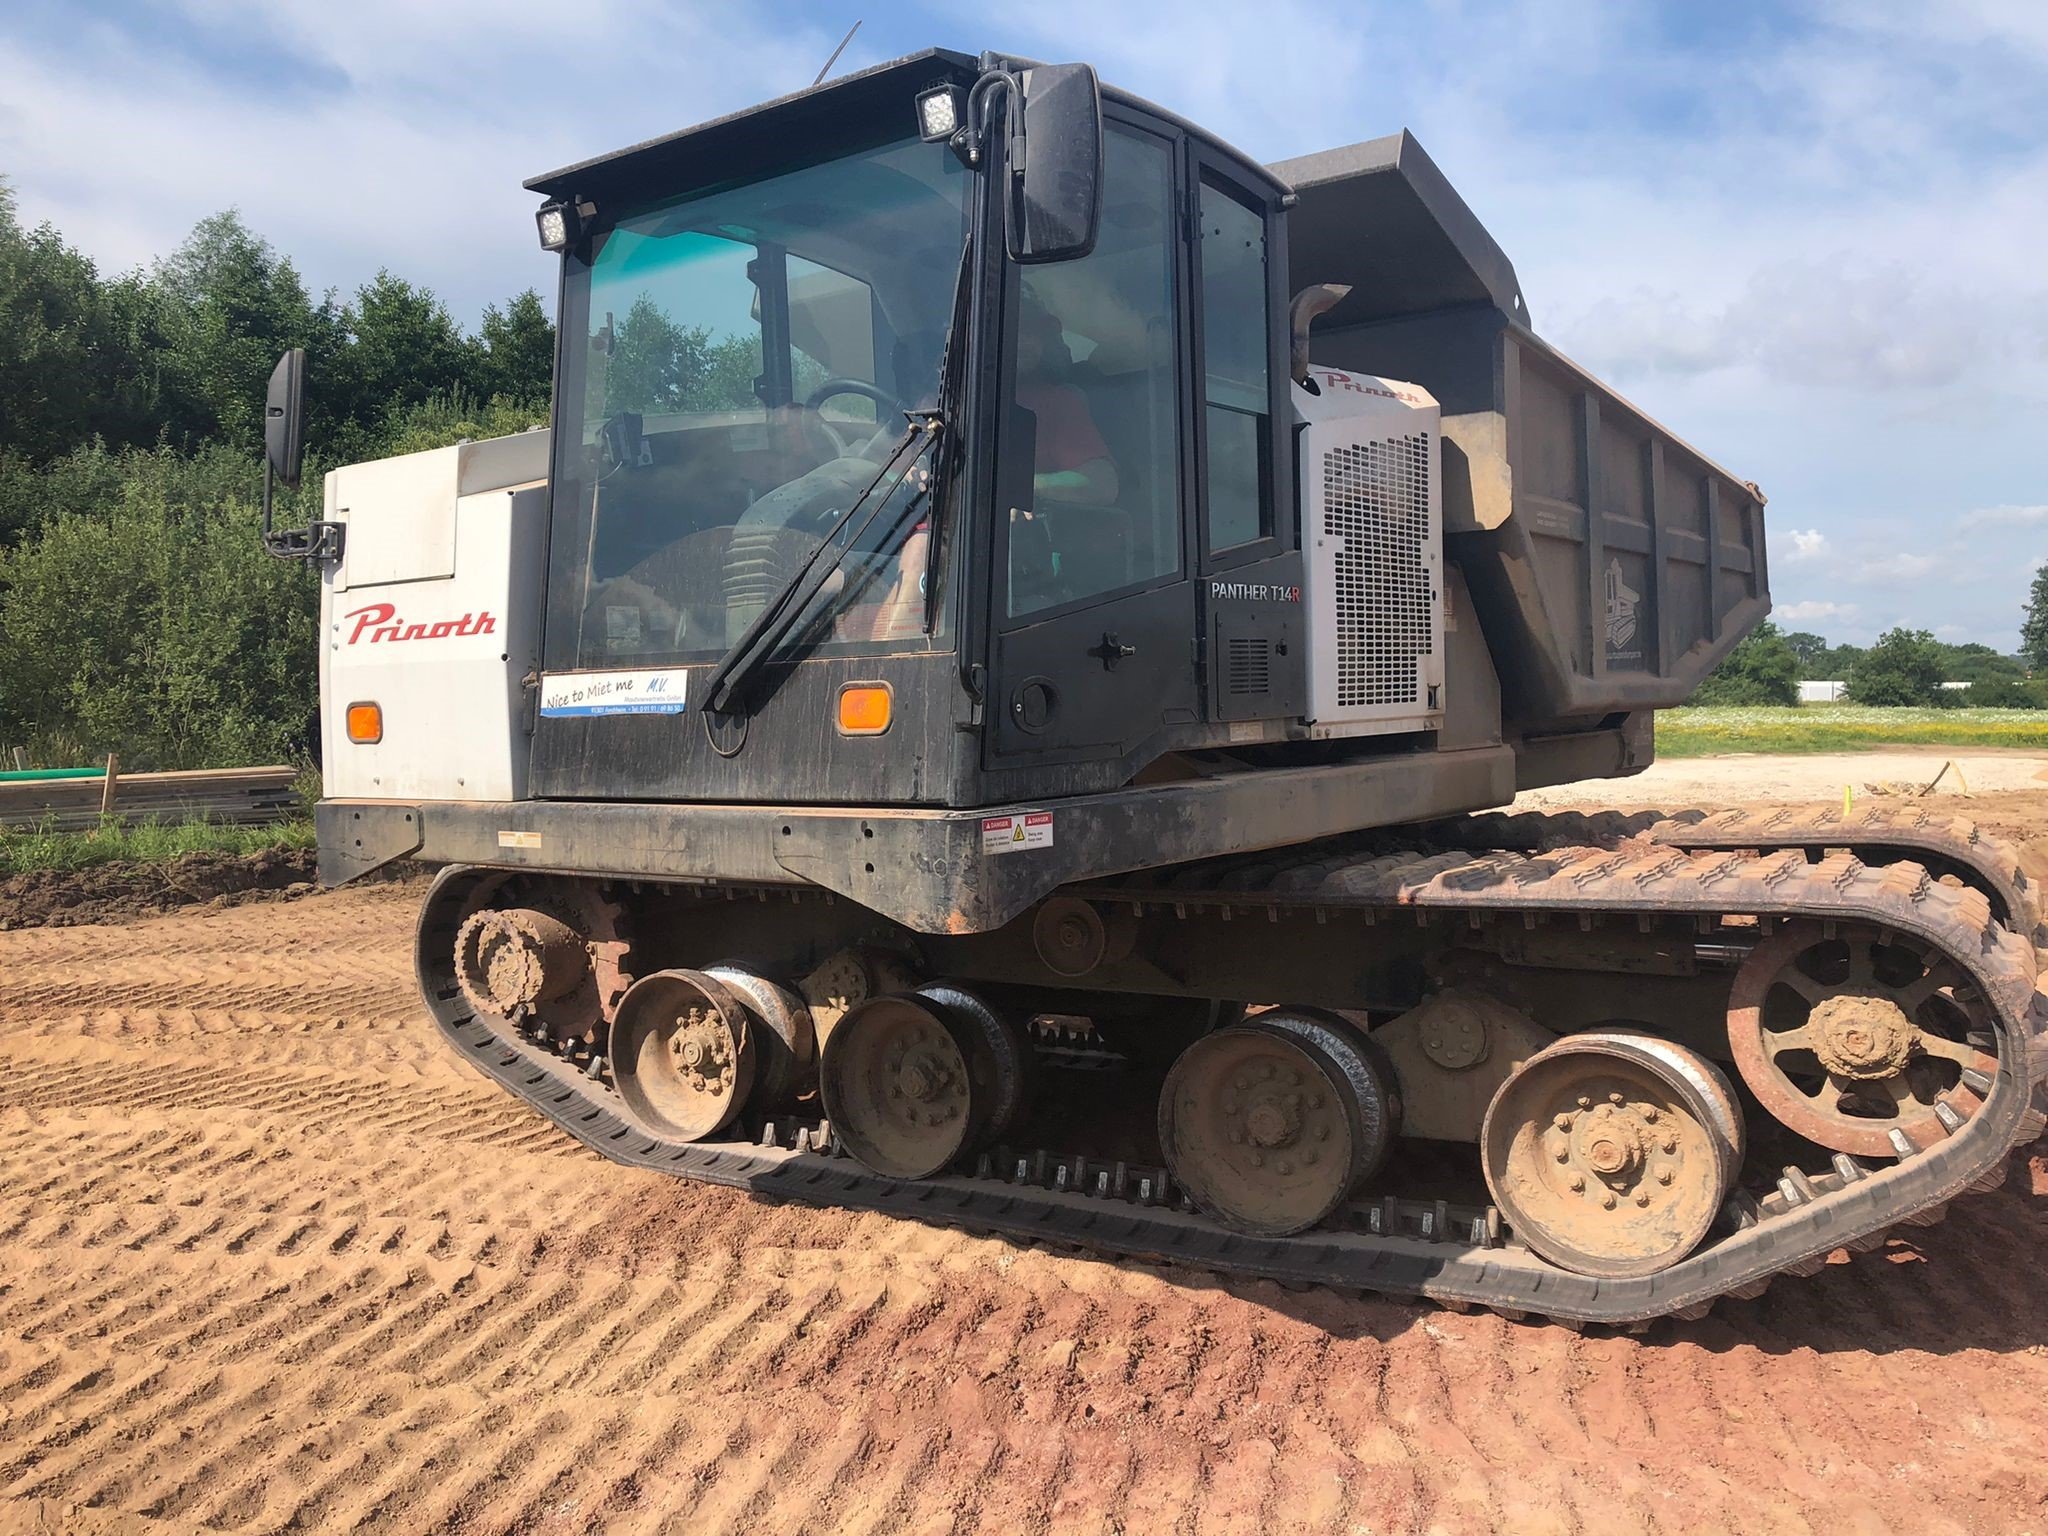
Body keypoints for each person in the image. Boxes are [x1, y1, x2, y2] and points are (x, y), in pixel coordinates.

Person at [1015, 292, 1119, 507]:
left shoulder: (1058, 402)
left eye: (1033, 332)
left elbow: (1101, 482)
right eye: (1015, 329)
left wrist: (1019, 490)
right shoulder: (938, 405)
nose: (1026, 341)